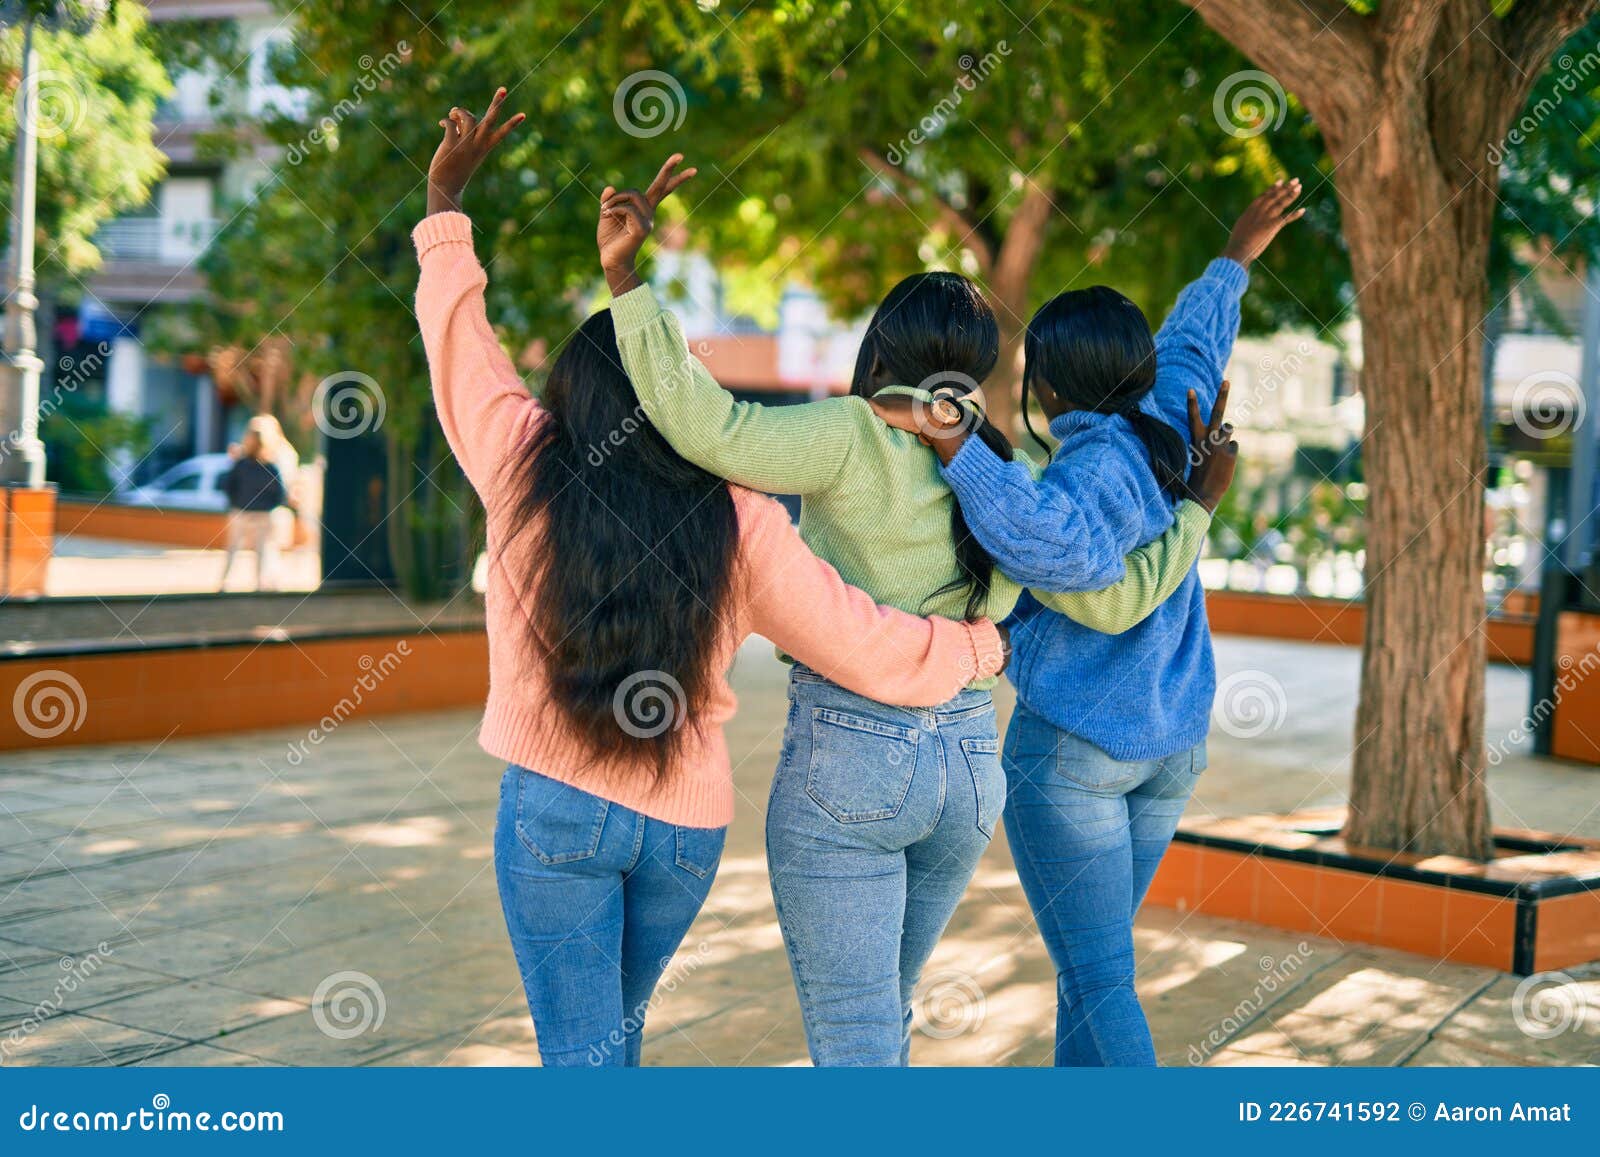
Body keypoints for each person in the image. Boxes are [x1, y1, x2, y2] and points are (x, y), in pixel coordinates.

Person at [594, 161, 1237, 1066]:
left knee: (856, 1042)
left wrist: (628, 285)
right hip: (969, 769)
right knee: (885, 1019)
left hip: (854, 757)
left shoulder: (852, 430)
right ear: (978, 365)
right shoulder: (997, 460)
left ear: (879, 346)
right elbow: (1050, 583)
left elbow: (711, 428)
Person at [418, 90, 1013, 1067]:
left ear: (567, 391)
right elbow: (854, 634)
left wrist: (446, 205)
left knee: (585, 1059)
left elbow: (459, 341)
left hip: (554, 812)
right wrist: (976, 644)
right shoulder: (734, 513)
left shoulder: (519, 452)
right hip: (680, 832)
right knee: (620, 1033)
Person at [872, 180, 1303, 1066]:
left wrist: (959, 450)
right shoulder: (1173, 418)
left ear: (1054, 383)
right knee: (1089, 972)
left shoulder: (1087, 468)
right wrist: (1234, 256)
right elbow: (1196, 338)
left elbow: (1052, 547)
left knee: (1101, 980)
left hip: (1077, 754)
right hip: (1168, 748)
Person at [219, 428, 289, 592]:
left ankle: (225, 583)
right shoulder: (270, 467)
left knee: (234, 548)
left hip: (243, 512)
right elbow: (280, 494)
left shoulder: (241, 465)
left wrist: (236, 504)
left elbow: (228, 487)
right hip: (261, 513)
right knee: (261, 550)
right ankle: (258, 584)